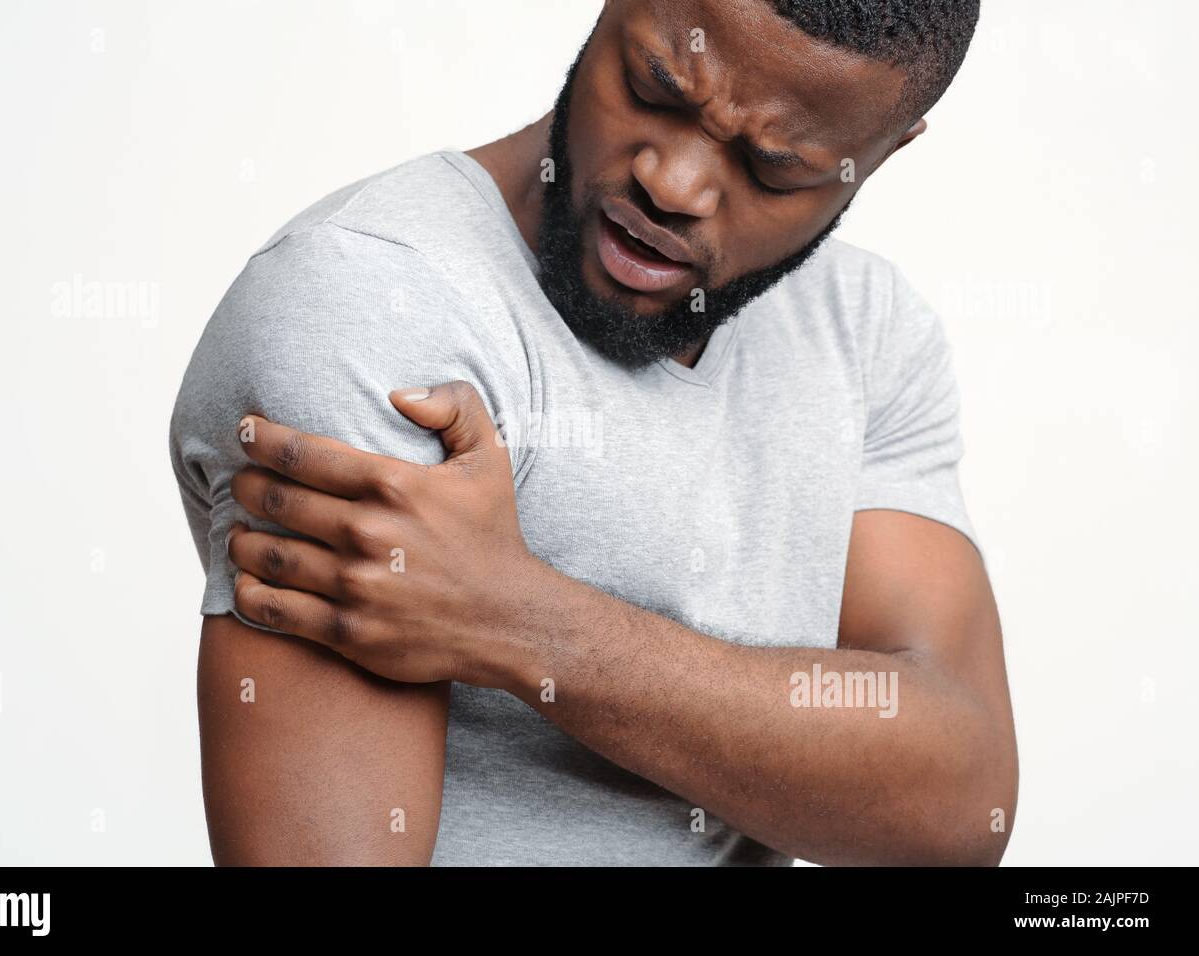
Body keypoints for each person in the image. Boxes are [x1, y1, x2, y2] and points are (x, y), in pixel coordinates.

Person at [170, 0, 1017, 866]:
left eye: (774, 168)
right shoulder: (368, 306)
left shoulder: (864, 328)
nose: (673, 185)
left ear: (887, 149)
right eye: (655, 86)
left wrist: (520, 622)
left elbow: (959, 807)